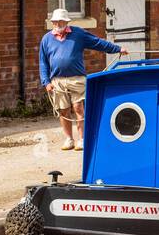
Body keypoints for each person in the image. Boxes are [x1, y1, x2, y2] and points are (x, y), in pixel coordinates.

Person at [39, 8, 122, 150]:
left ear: (66, 22)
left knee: (78, 108)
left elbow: (97, 42)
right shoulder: (46, 39)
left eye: (60, 21)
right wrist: (46, 82)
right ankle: (69, 139)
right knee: (63, 110)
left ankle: (82, 139)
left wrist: (117, 49)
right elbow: (43, 62)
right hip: (57, 80)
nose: (57, 24)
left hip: (77, 79)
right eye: (55, 22)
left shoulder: (78, 34)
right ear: (52, 22)